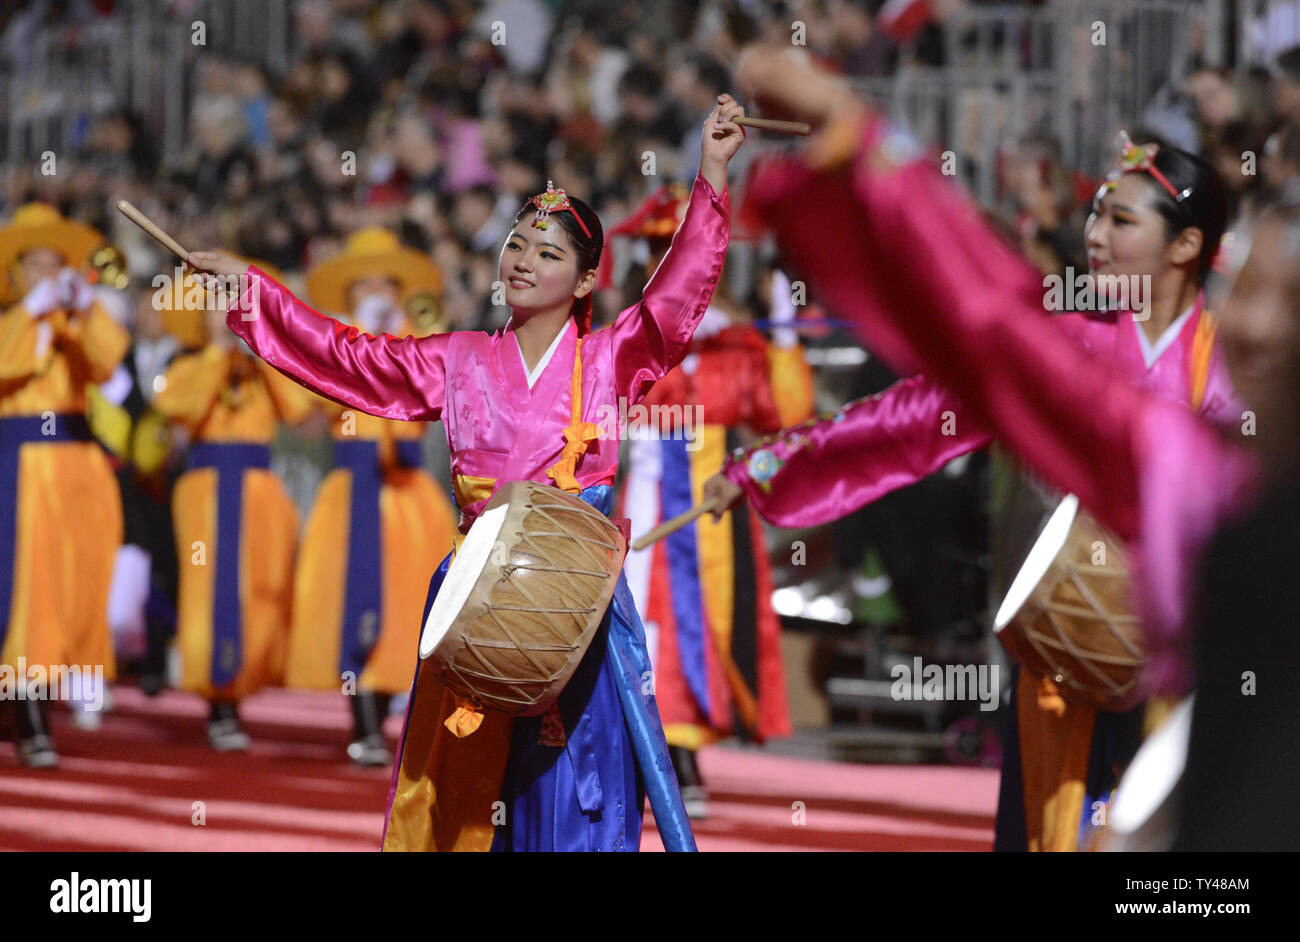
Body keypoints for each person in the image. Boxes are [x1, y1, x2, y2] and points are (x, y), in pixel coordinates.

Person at [731, 47, 1287, 846]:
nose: (1094, 236)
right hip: (1067, 666)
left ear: (1186, 248)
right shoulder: (1098, 365)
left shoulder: (1223, 393)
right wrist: (775, 464)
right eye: (1094, 214)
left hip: (1187, 704)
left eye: (1120, 220)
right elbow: (936, 390)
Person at [186, 94, 746, 851]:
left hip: (573, 607)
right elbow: (349, 358)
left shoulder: (612, 359)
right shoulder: (457, 360)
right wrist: (252, 292)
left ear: (585, 283)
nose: (523, 261)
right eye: (517, 244)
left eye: (548, 254)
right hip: (476, 600)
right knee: (463, 803)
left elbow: (675, 303)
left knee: (573, 797)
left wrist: (712, 173)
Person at [616, 186, 813, 817]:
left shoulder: (741, 347)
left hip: (717, 512)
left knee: (711, 624)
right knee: (651, 624)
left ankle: (688, 748)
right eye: (658, 251)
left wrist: (782, 342)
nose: (667, 263)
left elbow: (787, 421)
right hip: (649, 502)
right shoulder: (626, 338)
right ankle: (668, 757)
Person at [288, 228, 459, 766]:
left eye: (388, 284)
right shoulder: (335, 341)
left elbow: (433, 399)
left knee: (409, 607)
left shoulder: (414, 338)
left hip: (406, 493)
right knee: (349, 599)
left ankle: (387, 713)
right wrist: (360, 342)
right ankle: (361, 720)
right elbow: (307, 407)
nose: (380, 293)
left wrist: (394, 346)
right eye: (368, 285)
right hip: (352, 490)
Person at [151, 263, 314, 751]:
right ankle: (217, 700)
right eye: (214, 306)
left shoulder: (258, 364)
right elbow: (180, 409)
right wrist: (220, 353)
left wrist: (262, 352)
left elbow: (300, 409)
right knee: (209, 590)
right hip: (205, 487)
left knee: (258, 591)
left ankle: (242, 688)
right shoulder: (185, 364)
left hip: (258, 489)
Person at [0, 203, 127, 768]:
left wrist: (83, 308)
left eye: (55, 265)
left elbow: (110, 364)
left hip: (76, 467)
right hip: (22, 466)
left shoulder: (70, 319)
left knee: (72, 589)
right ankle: (29, 717)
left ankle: (42, 703)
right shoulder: (15, 320)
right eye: (35, 266)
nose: (47, 276)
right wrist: (30, 311)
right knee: (30, 591)